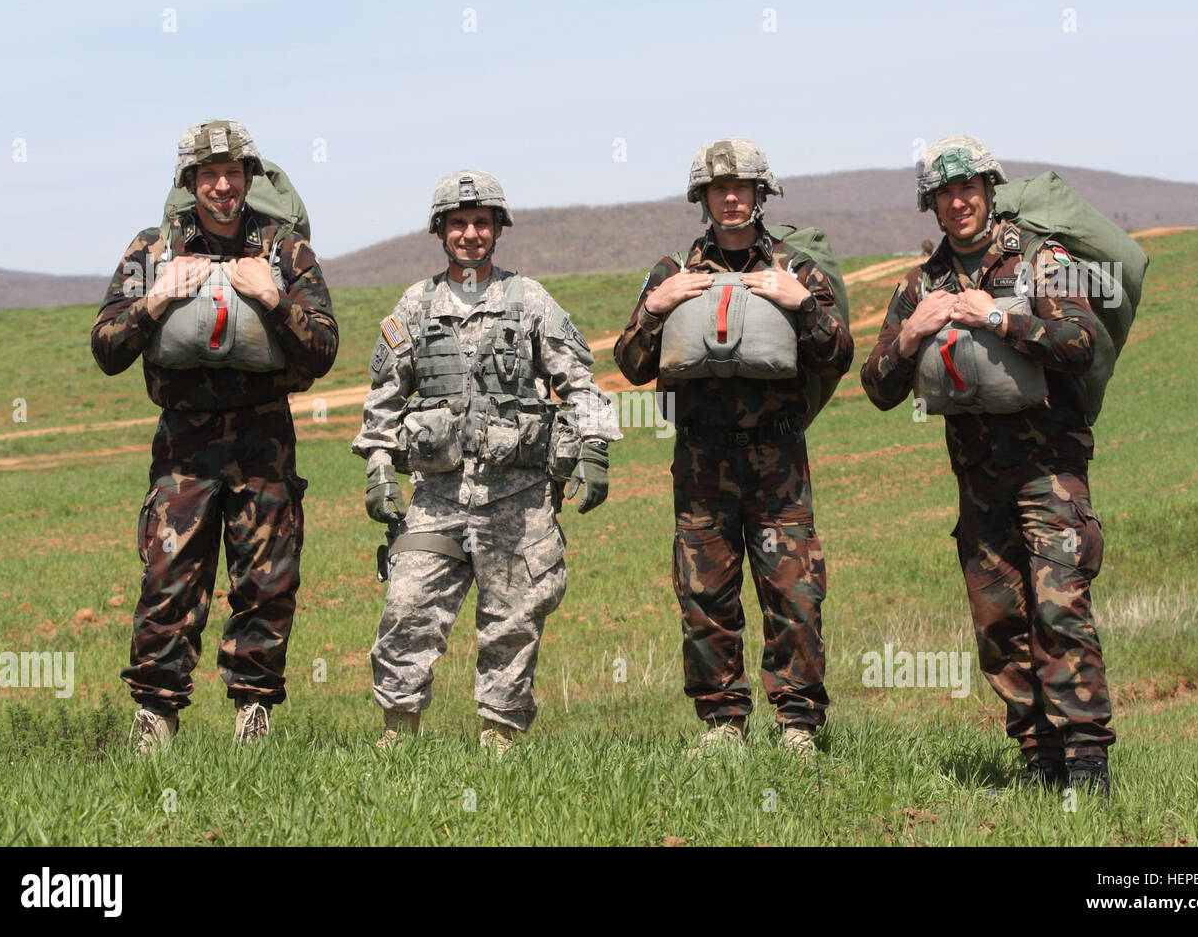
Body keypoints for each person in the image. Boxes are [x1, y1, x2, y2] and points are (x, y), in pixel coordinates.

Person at [860, 134, 1114, 795]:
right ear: (931, 203)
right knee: (999, 623)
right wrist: (913, 332)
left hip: (1048, 472)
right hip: (977, 482)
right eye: (945, 191)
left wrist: (999, 317)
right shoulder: (919, 285)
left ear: (989, 189)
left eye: (969, 186)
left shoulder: (1040, 260)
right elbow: (878, 387)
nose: (959, 199)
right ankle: (1038, 760)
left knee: (1060, 610)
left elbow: (1082, 341)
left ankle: (1087, 763)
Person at [353, 170, 621, 754]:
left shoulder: (531, 301)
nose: (470, 234)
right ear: (441, 232)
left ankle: (499, 748)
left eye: (480, 222)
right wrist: (378, 470)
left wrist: (594, 449)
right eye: (458, 223)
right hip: (438, 499)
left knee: (513, 623)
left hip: (517, 499)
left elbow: (581, 385)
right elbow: (382, 401)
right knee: (407, 611)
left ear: (497, 229)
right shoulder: (416, 306)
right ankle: (397, 742)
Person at [92, 119, 338, 751]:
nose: (222, 187)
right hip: (183, 447)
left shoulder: (286, 252)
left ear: (249, 179)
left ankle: (253, 716)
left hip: (265, 440)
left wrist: (275, 300)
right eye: (208, 176)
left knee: (267, 580)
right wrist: (155, 301)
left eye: (232, 174)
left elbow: (324, 350)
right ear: (190, 183)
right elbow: (106, 348)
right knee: (169, 576)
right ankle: (156, 718)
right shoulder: (152, 251)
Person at [613, 138, 852, 756]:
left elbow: (838, 355)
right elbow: (633, 366)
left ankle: (798, 724)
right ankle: (723, 724)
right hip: (700, 463)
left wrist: (803, 308)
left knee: (794, 592)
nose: (730, 197)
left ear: (760, 194)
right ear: (702, 198)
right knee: (705, 596)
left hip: (778, 464)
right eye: (718, 189)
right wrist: (654, 310)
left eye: (741, 187)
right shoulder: (673, 274)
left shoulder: (797, 270)